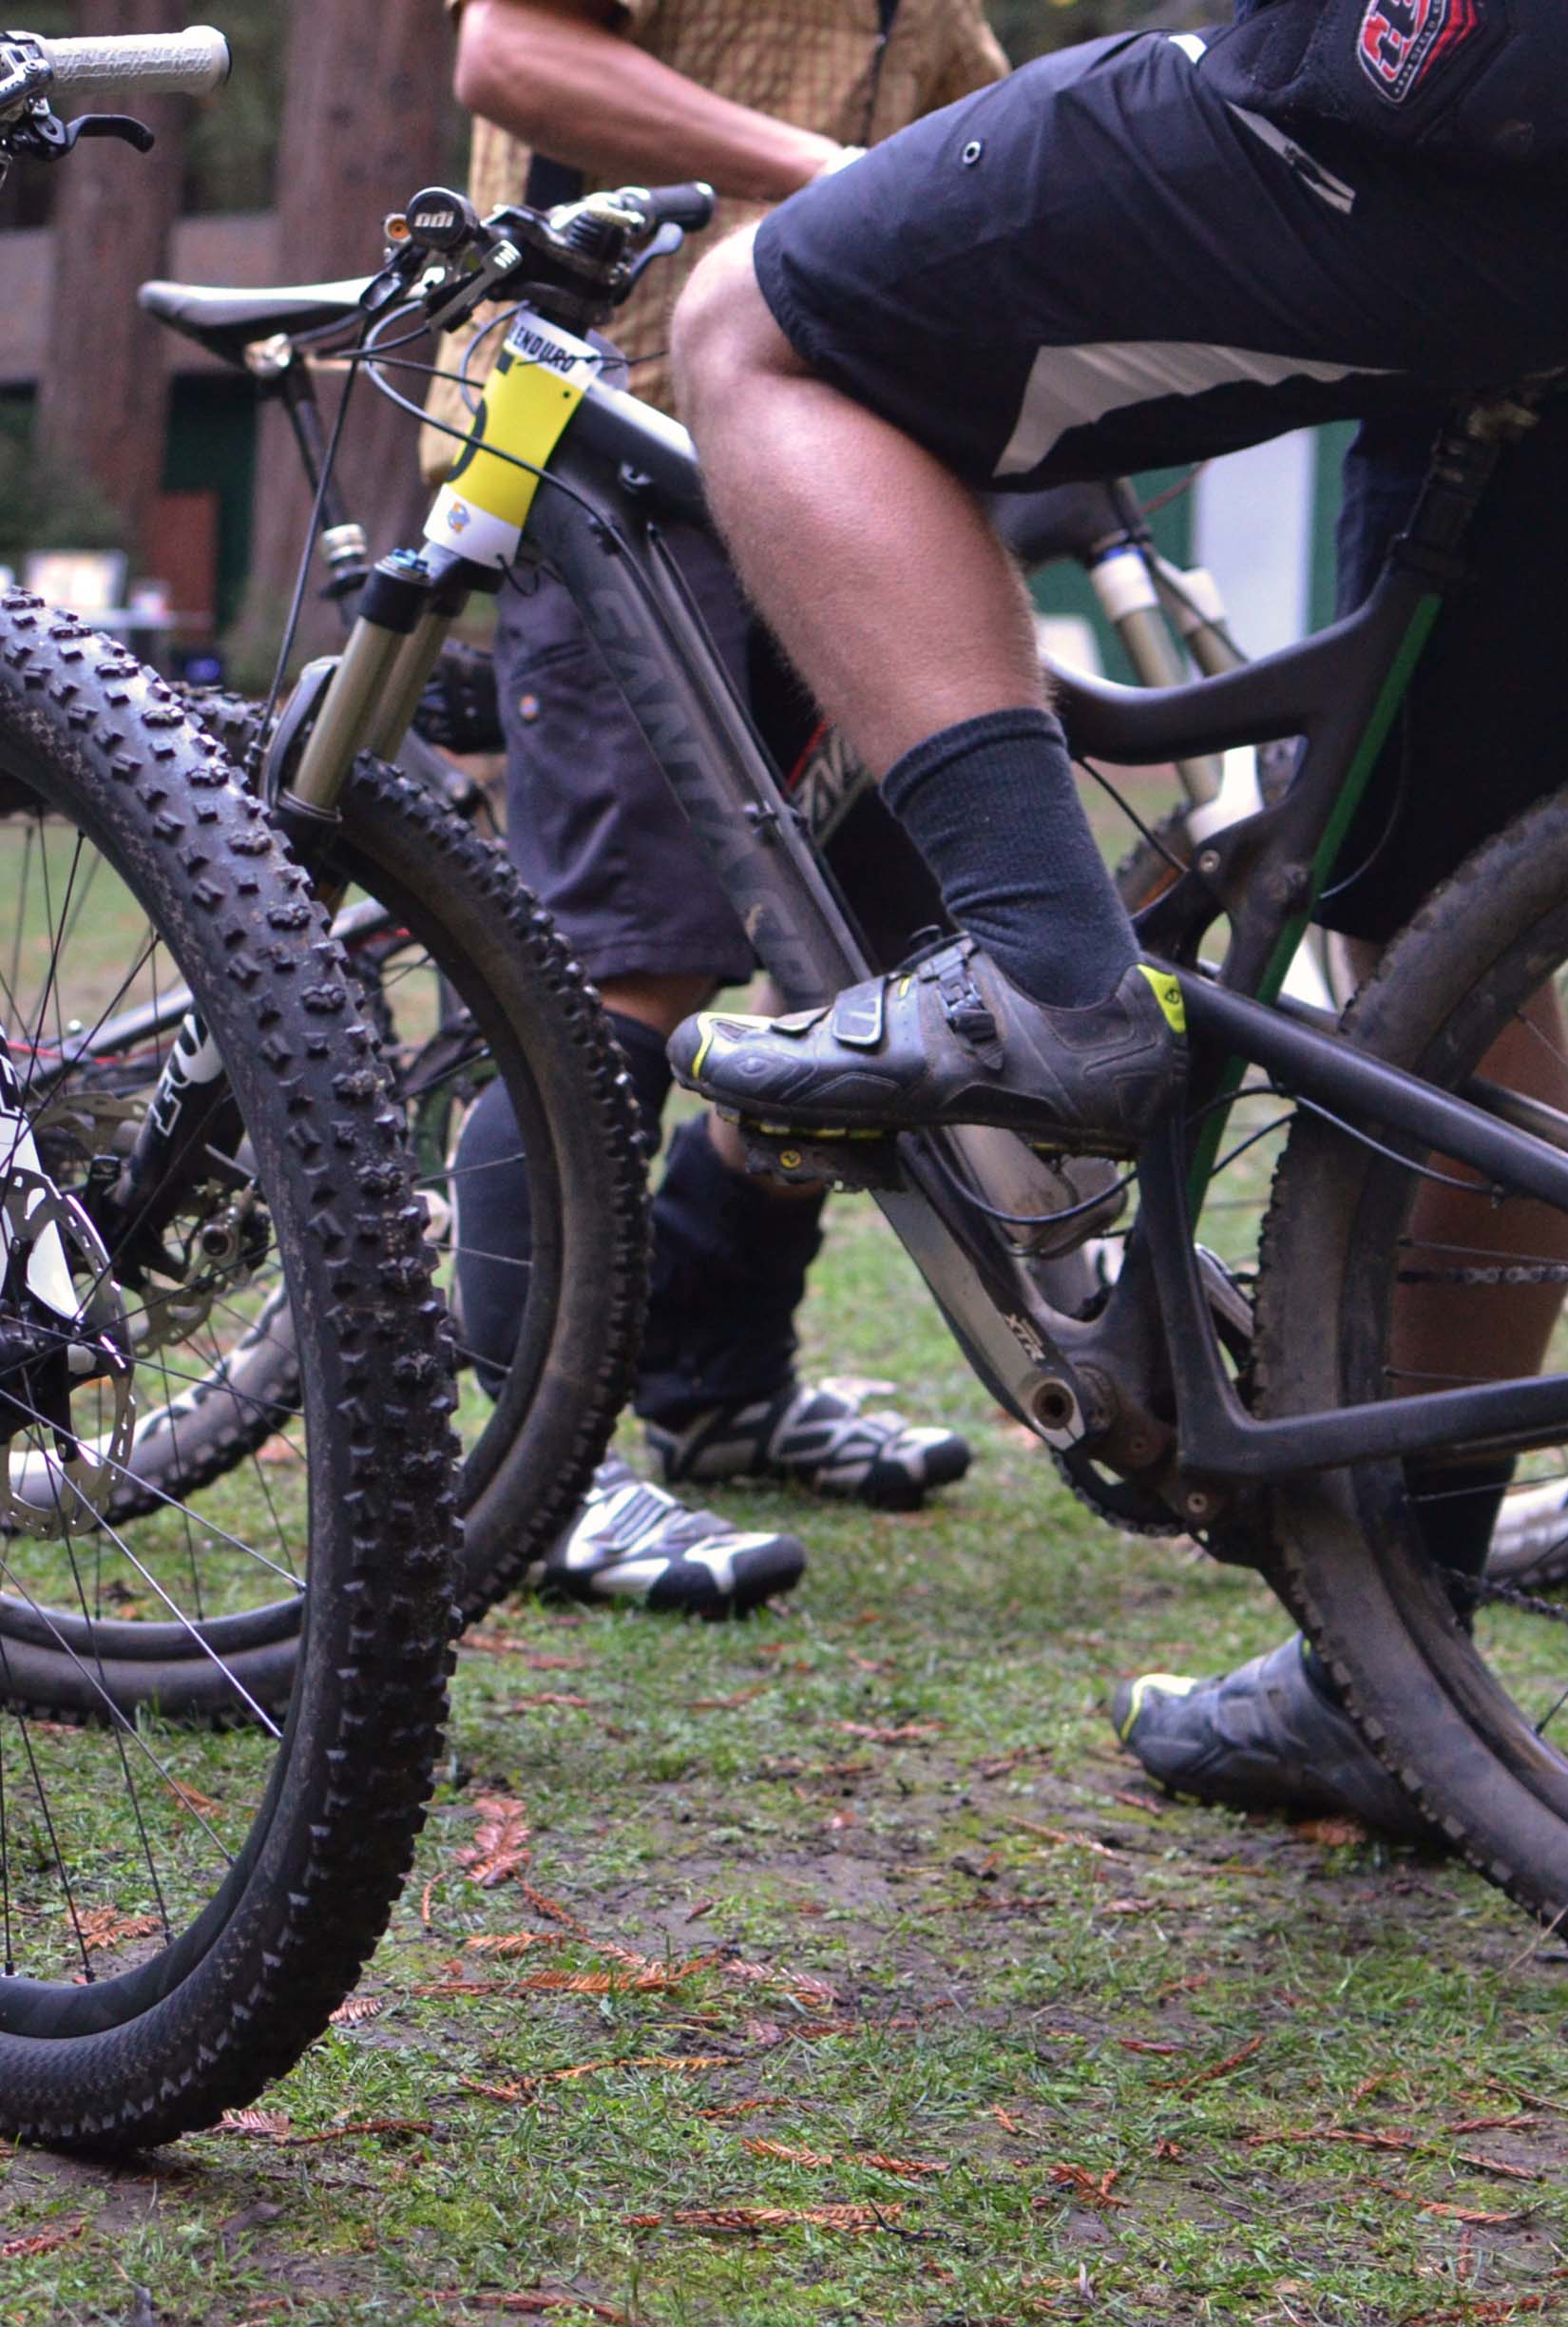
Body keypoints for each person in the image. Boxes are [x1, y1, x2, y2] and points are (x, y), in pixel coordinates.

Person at [663, 0, 1568, 1827]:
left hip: (1483, 91)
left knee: (759, 330)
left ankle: (1040, 983)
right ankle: (1397, 1680)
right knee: (1455, 957)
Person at [436, 0, 1004, 1620]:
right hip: (606, 426)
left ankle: (718, 1380)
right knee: (623, 965)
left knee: (873, 964)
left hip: (836, 458)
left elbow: (980, 141)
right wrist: (818, 173)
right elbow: (509, 61)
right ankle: (537, 1473)